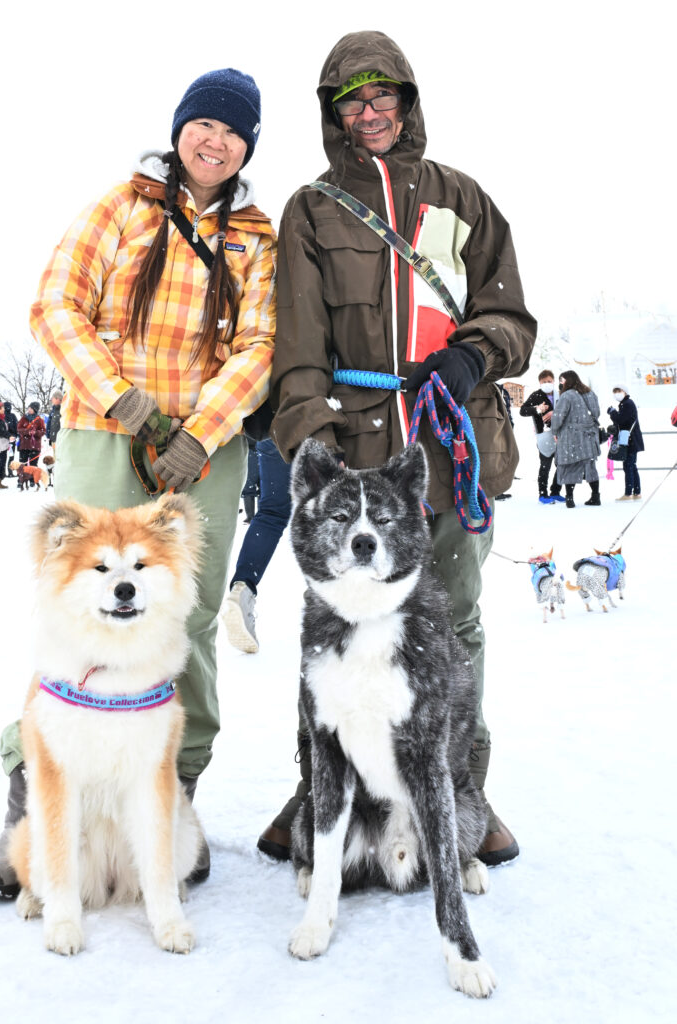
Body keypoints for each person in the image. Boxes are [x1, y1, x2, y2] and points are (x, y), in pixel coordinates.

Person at [0, 68, 275, 898]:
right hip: (106, 430)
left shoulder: (257, 237)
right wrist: (134, 408)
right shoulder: (123, 206)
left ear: (248, 148)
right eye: (202, 124)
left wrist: (198, 432)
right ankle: (32, 809)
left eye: (234, 131)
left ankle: (174, 799)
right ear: (180, 130)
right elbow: (56, 306)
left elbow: (259, 348)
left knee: (193, 614)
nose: (215, 140)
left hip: (203, 454)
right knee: (78, 606)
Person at [260, 31, 536, 868]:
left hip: (453, 454)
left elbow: (512, 320)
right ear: (333, 114)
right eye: (353, 99)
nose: (370, 112)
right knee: (339, 632)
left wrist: (470, 353)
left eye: (385, 97)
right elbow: (297, 353)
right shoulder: (311, 209)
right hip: (355, 462)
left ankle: (462, 793)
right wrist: (316, 460)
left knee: (452, 625)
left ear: (408, 104)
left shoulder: (465, 200)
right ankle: (321, 791)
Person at [221, 438, 292, 653]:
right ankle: (329, 603)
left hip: (275, 428)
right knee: (327, 512)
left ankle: (244, 586)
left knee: (271, 513)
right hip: (321, 425)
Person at [549, 370, 601, 508]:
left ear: (567, 380)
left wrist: (554, 430)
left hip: (570, 437)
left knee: (569, 466)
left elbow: (558, 417)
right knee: (590, 467)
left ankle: (569, 498)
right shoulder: (590, 393)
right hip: (589, 436)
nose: (560, 383)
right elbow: (596, 413)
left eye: (562, 380)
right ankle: (595, 496)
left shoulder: (567, 396)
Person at [519, 369, 564, 503]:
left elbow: (568, 409)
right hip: (544, 435)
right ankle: (543, 494)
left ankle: (555, 490)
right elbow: (523, 410)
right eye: (544, 382)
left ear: (554, 381)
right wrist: (537, 409)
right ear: (539, 383)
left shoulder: (560, 394)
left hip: (561, 434)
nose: (547, 384)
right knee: (545, 464)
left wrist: (555, 412)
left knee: (562, 464)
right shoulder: (536, 395)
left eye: (549, 381)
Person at [607, 386, 644, 500]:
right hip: (631, 439)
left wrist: (612, 413)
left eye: (619, 391)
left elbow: (620, 420)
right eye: (615, 392)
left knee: (628, 466)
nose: (617, 394)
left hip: (630, 440)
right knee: (631, 466)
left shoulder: (627, 404)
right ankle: (636, 493)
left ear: (625, 392)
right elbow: (622, 421)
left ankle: (628, 494)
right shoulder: (625, 403)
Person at [2, 401, 18, 477]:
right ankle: (7, 472)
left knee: (9, 455)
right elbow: (16, 426)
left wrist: (16, 435)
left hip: (8, 438)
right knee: (8, 455)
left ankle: (8, 471)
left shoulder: (10, 416)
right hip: (7, 438)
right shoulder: (3, 416)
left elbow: (16, 426)